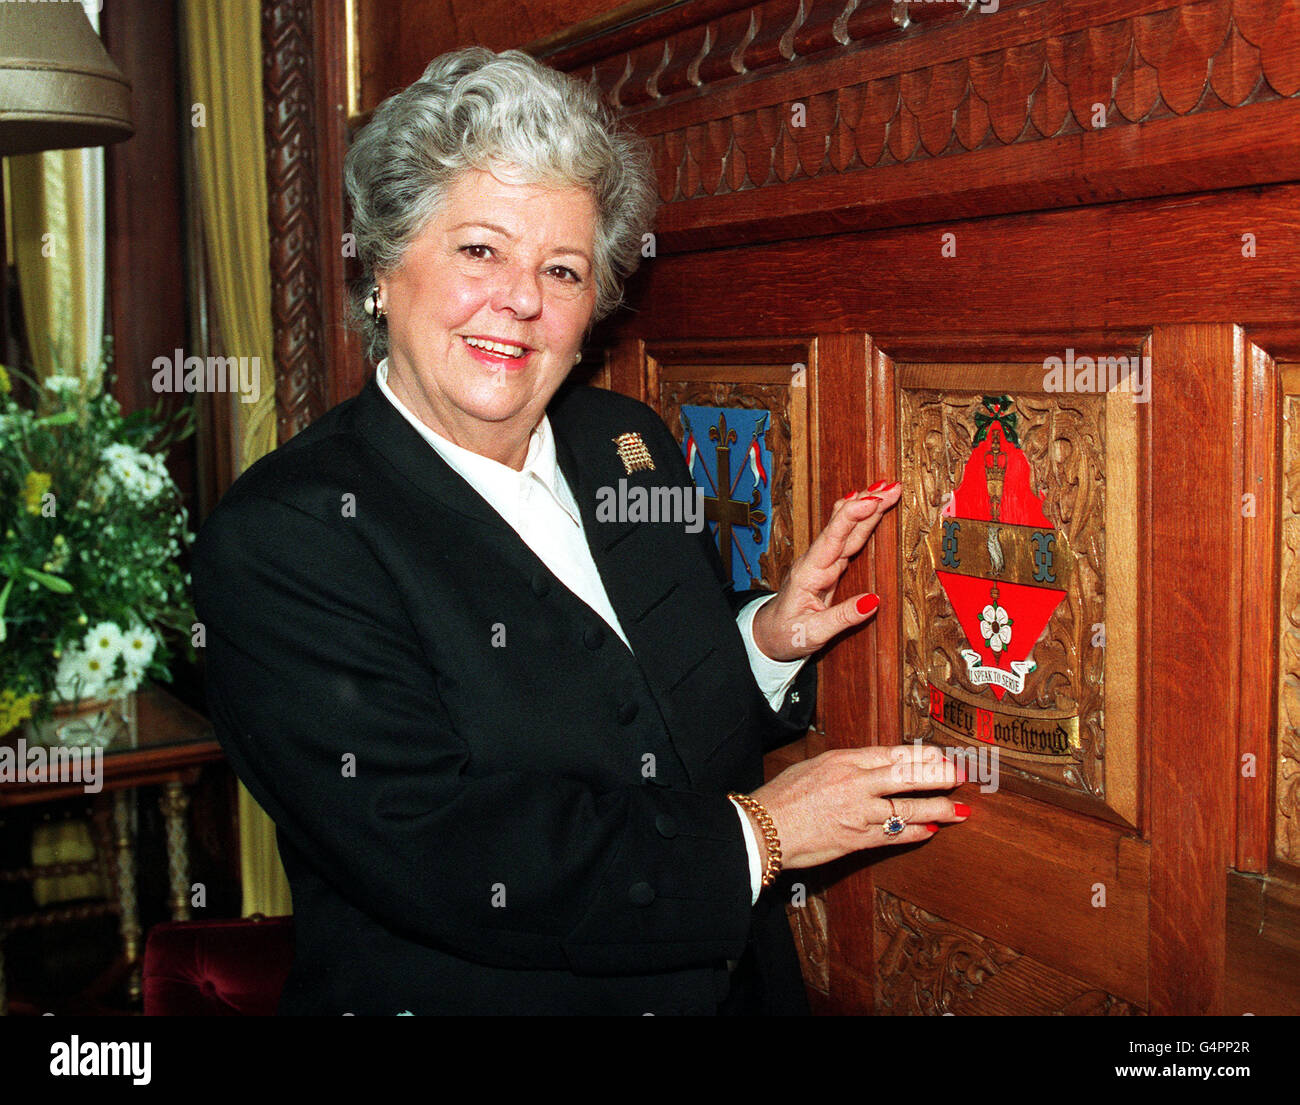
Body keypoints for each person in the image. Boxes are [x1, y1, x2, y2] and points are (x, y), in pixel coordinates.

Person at [191, 47, 966, 1016]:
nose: (520, 299)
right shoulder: (286, 537)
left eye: (560, 268)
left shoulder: (624, 442)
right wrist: (761, 836)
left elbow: (631, 697)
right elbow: (437, 849)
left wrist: (762, 641)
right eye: (479, 250)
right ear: (384, 266)